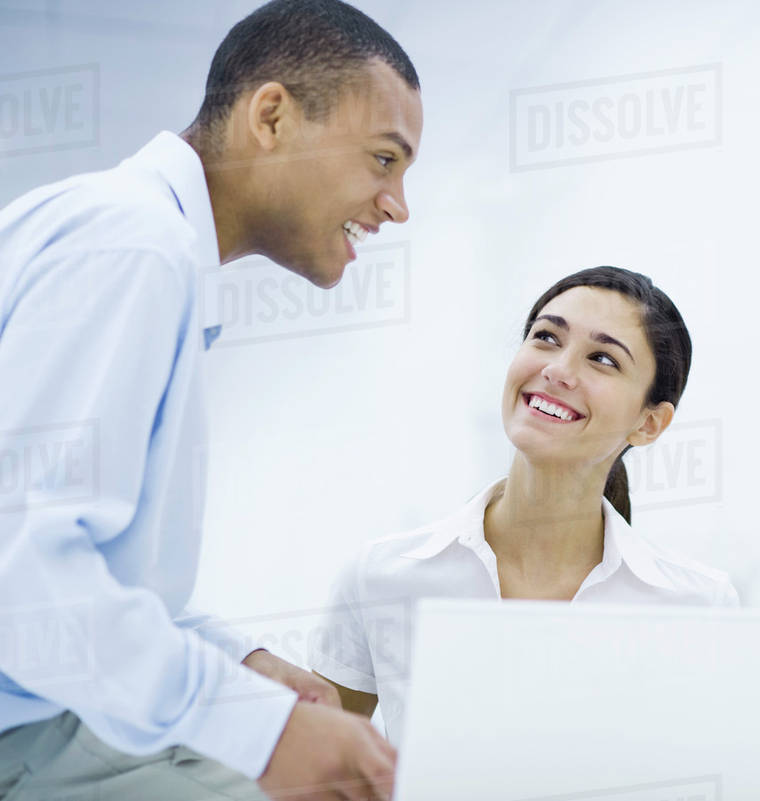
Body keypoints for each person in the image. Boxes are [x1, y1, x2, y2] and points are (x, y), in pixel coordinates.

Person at [0, 1, 422, 799]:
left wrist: (240, 663)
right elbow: (23, 579)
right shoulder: (134, 247)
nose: (397, 203)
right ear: (272, 117)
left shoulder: (136, 241)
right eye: (382, 159)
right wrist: (262, 729)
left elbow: (81, 572)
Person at [308, 266, 739, 740]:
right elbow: (322, 769)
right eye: (547, 338)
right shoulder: (382, 577)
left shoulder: (699, 606)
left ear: (649, 423)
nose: (557, 370)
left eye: (602, 359)